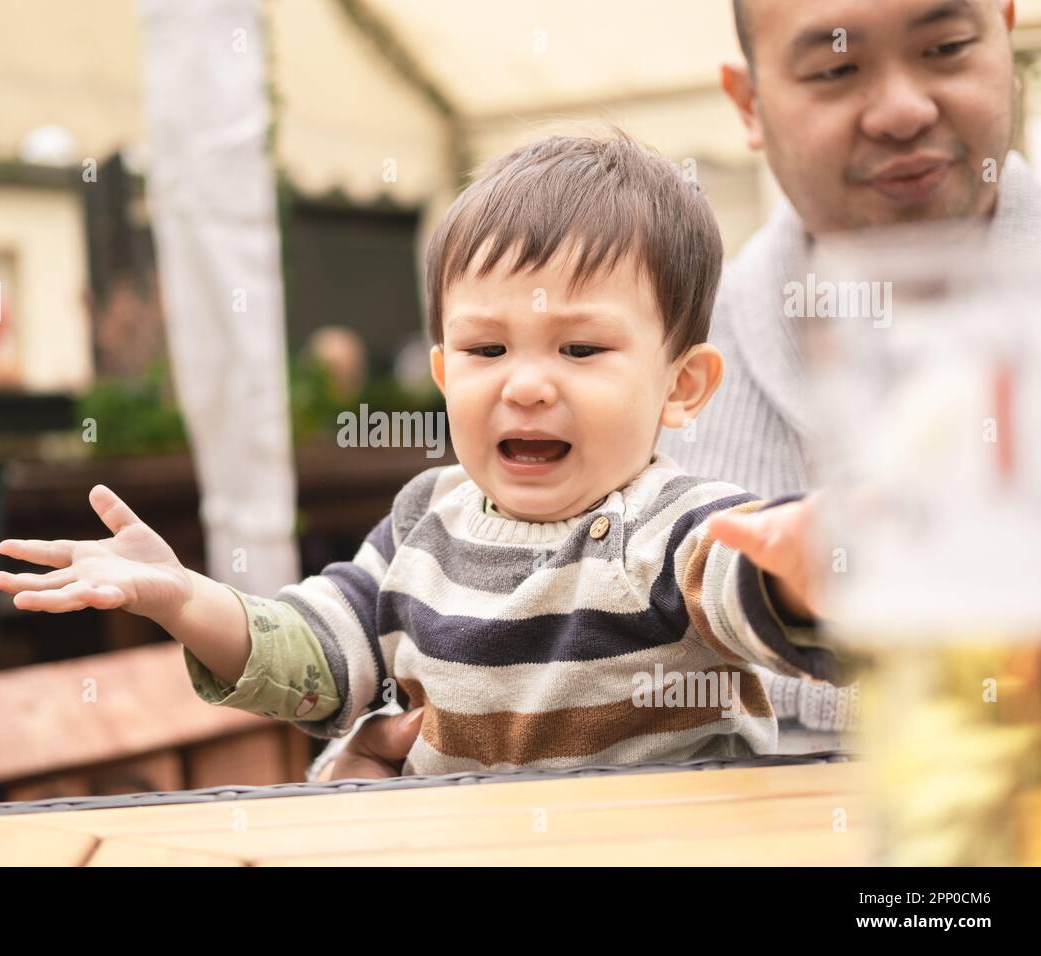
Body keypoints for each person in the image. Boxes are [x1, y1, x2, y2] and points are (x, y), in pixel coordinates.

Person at [308, 0, 1041, 781]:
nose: (901, 108)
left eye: (947, 45)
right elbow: (497, 668)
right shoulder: (650, 345)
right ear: (748, 105)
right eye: (836, 67)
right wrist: (380, 773)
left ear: (1009, 35)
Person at [0, 134, 854, 774]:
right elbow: (317, 660)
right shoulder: (420, 525)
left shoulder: (674, 526)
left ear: (684, 385)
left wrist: (807, 566)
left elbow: (749, 578)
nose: (524, 385)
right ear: (443, 372)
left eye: (580, 350)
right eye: (486, 350)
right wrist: (185, 600)